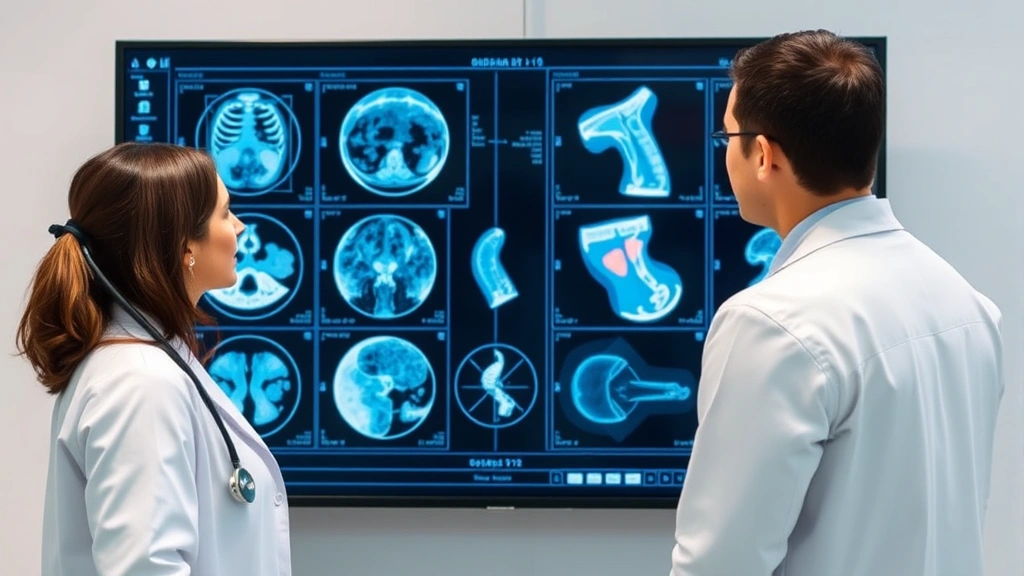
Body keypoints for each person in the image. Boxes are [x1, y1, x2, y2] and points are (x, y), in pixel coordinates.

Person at [670, 30, 1004, 575]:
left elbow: (719, 563)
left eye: (727, 136)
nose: (724, 153)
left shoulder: (772, 324)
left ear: (763, 155)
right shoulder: (969, 307)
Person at [16, 142, 293, 575]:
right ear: (186, 244)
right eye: (224, 213)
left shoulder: (141, 366)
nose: (238, 227)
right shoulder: (142, 384)